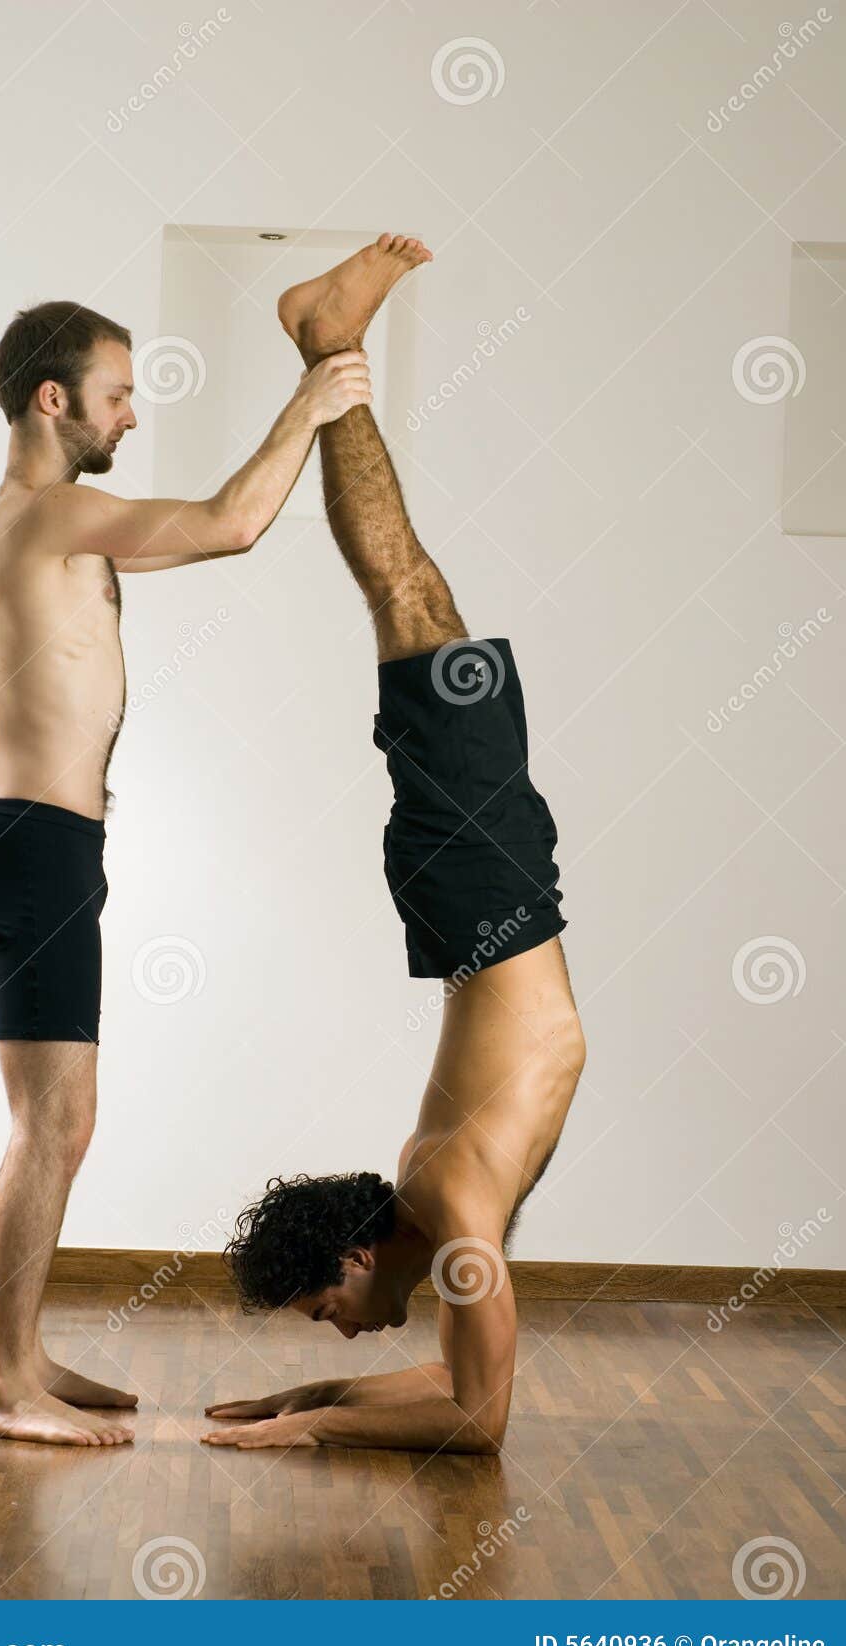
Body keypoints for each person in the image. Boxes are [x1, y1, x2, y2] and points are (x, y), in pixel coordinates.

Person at [0, 299, 370, 1446]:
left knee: (57, 1123)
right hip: (34, 844)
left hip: (49, 845)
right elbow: (234, 523)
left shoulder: (37, 520)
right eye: (117, 393)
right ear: (56, 398)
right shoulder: (52, 514)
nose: (132, 414)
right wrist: (314, 397)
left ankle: (21, 1357)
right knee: (56, 1125)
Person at [203, 235, 586, 1456]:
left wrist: (313, 1431)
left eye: (327, 1311)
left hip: (489, 894)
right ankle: (329, 338)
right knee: (414, 605)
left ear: (360, 1254)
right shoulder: (431, 1196)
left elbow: (478, 1421)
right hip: (482, 896)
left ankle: (329, 338)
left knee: (412, 600)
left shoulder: (452, 1199)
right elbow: (459, 1392)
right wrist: (305, 1403)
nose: (342, 1331)